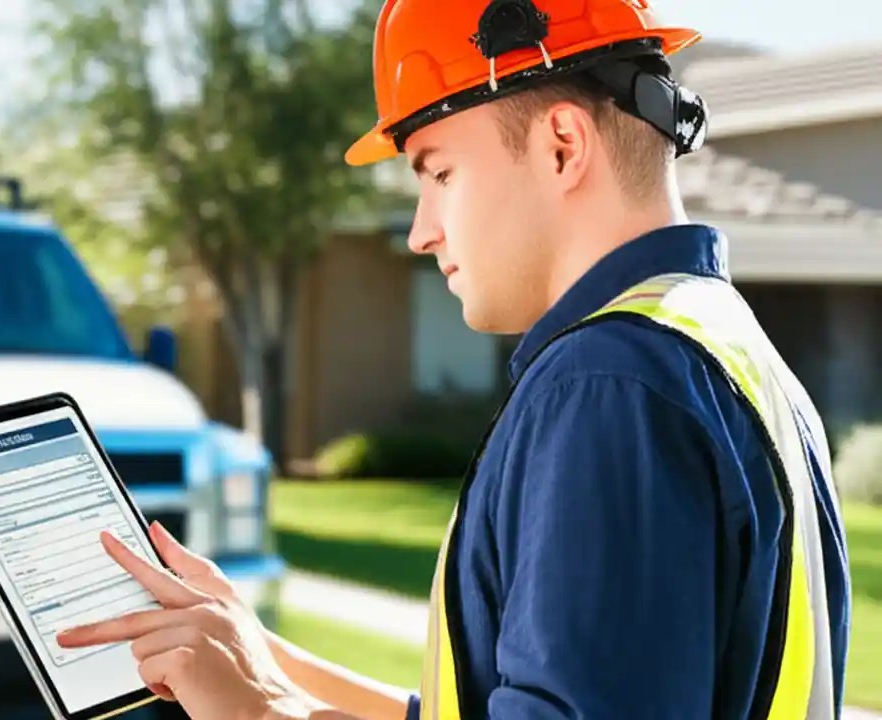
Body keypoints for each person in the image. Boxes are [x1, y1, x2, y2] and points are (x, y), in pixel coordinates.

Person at [57, 0, 852, 718]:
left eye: (439, 172)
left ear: (563, 146)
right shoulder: (717, 345)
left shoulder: (609, 384)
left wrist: (257, 715)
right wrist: (263, 661)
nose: (421, 231)